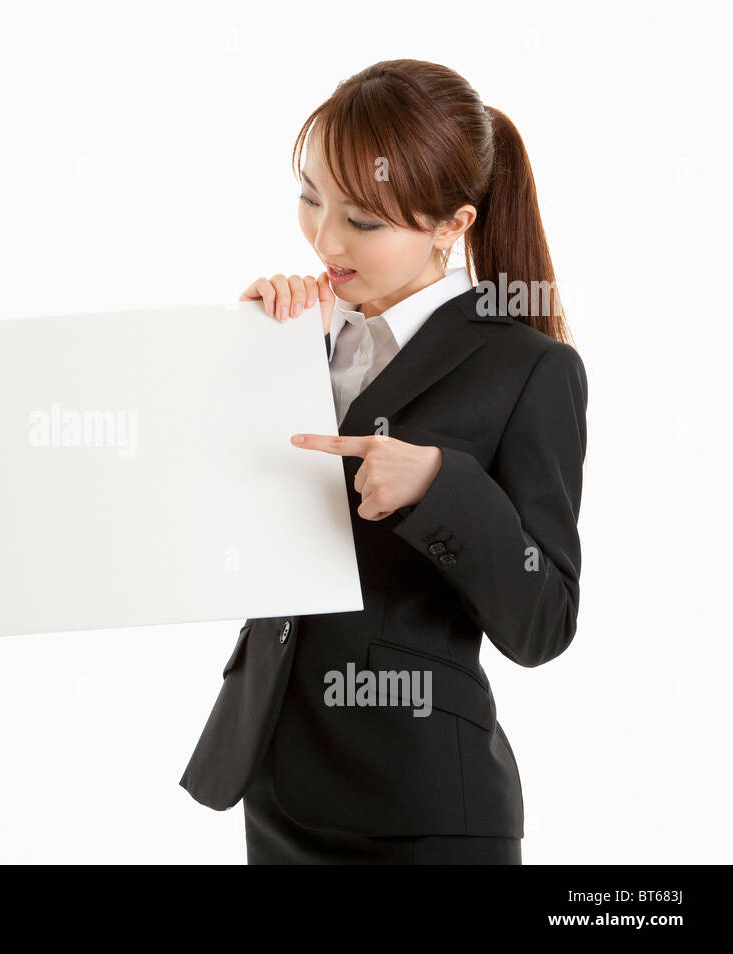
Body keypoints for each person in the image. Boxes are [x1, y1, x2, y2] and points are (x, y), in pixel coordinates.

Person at [180, 59, 588, 864]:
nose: (326, 239)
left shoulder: (528, 369)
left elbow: (546, 622)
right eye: (309, 198)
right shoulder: (290, 336)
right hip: (277, 783)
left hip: (424, 804)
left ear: (453, 224)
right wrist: (243, 360)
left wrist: (442, 488)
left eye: (362, 221)